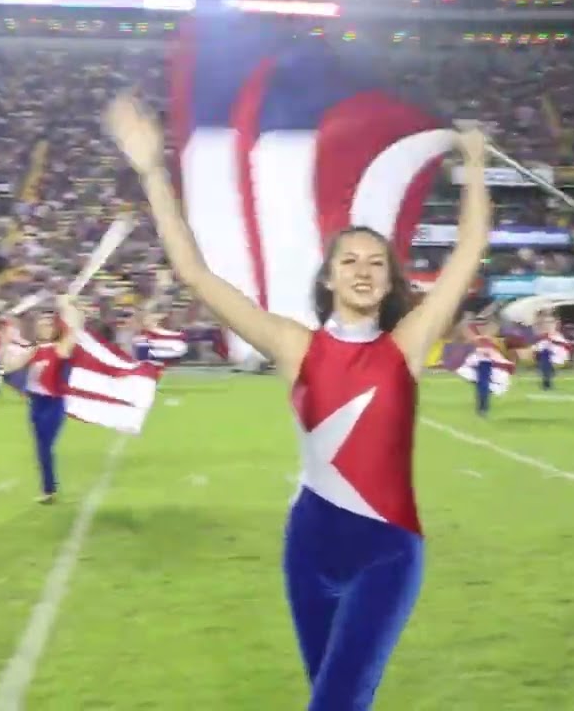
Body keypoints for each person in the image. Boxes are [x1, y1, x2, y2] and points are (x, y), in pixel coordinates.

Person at [105, 94, 491, 711]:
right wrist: (153, 171)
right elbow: (195, 274)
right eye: (349, 260)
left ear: (389, 281)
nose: (363, 270)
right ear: (329, 277)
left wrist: (472, 162)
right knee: (334, 698)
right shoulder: (294, 345)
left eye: (377, 263)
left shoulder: (406, 345)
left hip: (386, 552)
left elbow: (469, 249)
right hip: (309, 549)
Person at [0, 296, 82, 504]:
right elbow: (9, 367)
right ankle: (49, 490)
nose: (44, 327)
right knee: (41, 448)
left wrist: (66, 306)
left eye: (48, 324)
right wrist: (6, 342)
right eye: (41, 324)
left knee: (45, 447)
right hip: (35, 404)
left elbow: (74, 329)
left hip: (53, 404)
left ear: (55, 328)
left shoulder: (59, 348)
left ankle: (48, 490)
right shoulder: (34, 350)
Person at [533, 309, 571, 391]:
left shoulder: (556, 333)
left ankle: (547, 378)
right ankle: (546, 381)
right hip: (546, 345)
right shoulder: (541, 327)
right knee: (545, 359)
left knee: (550, 363)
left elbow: (565, 345)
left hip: (553, 344)